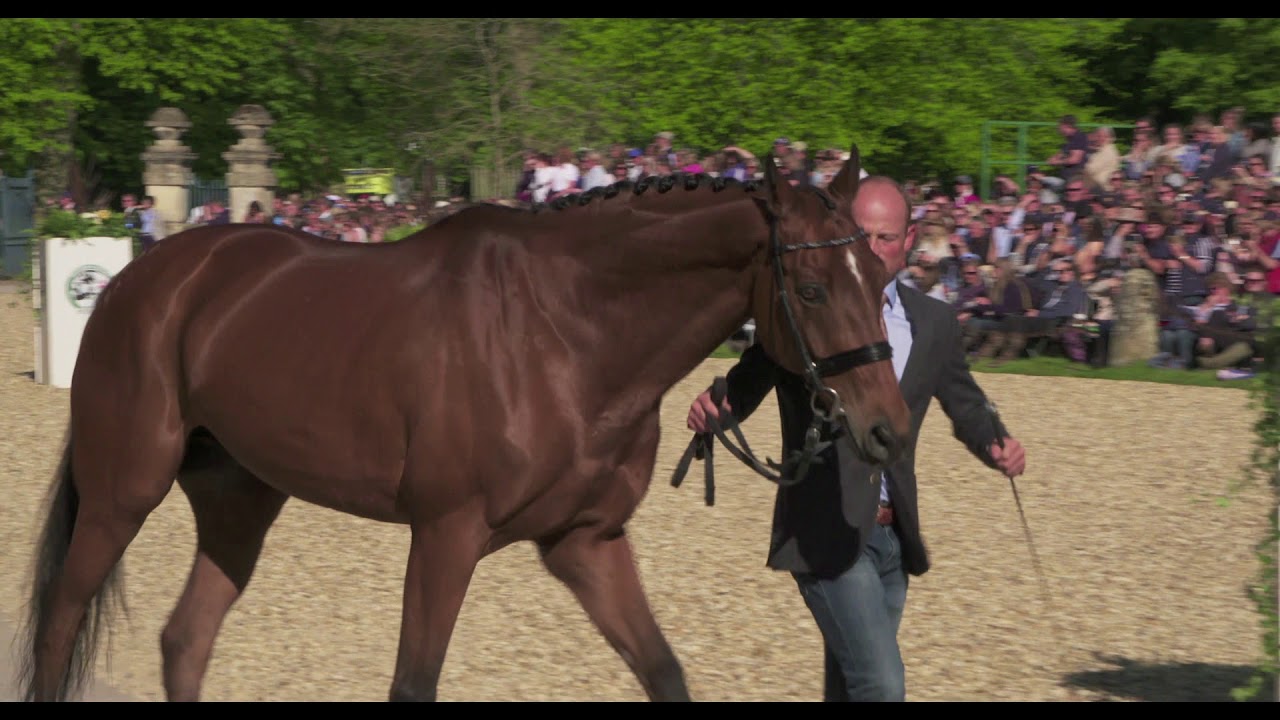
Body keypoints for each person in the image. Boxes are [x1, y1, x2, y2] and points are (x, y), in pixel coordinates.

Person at [686, 175, 1028, 702]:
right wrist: (720, 406)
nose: (872, 248)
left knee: (851, 687)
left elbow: (964, 401)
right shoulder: (811, 309)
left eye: (886, 238)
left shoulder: (934, 323)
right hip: (826, 535)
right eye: (861, 235)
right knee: (881, 684)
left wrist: (995, 443)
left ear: (909, 241)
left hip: (894, 539)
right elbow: (755, 374)